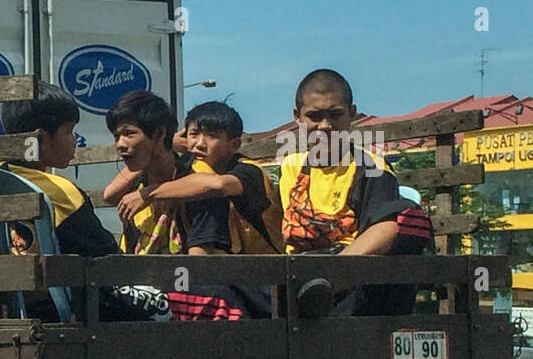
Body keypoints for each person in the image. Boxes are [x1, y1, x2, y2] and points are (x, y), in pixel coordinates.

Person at [280, 68, 433, 315]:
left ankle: (320, 290)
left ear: (352, 114)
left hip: (351, 275)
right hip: (294, 271)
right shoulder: (290, 167)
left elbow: (386, 229)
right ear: (297, 118)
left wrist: (331, 276)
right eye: (314, 116)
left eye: (336, 115)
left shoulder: (371, 168)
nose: (325, 126)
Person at [115, 100, 282, 256]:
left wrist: (147, 194)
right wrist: (159, 145)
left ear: (234, 145)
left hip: (263, 274)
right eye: (194, 134)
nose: (200, 144)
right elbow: (110, 195)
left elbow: (219, 185)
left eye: (211, 136)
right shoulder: (187, 169)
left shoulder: (248, 171)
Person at [0, 83, 119, 257]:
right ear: (41, 139)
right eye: (68, 131)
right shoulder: (61, 192)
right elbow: (105, 251)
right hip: (53, 282)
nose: (74, 140)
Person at [101, 90, 198, 254]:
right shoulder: (132, 194)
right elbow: (109, 195)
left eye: (129, 133)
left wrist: (148, 194)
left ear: (160, 133)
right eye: (116, 136)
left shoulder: (193, 175)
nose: (120, 144)